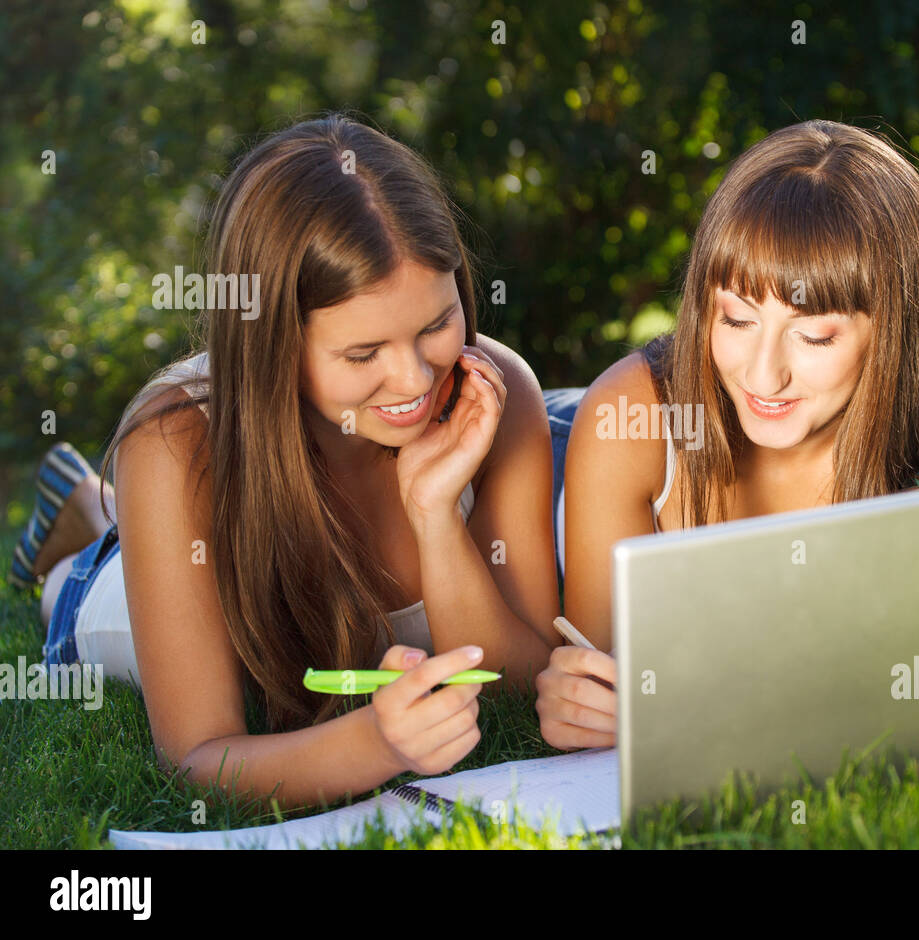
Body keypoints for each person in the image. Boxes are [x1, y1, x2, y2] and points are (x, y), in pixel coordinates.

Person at [10, 115, 561, 808]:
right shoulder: (174, 444)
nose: (416, 381)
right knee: (76, 590)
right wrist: (378, 745)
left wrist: (435, 518)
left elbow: (523, 682)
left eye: (435, 325)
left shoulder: (499, 394)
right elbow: (198, 757)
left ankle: (96, 510)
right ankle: (83, 538)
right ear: (271, 344)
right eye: (362, 355)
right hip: (138, 581)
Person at [536, 119, 919, 750]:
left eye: (814, 335)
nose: (763, 374)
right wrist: (585, 700)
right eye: (738, 319)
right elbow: (599, 671)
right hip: (561, 438)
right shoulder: (629, 417)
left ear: (897, 332)